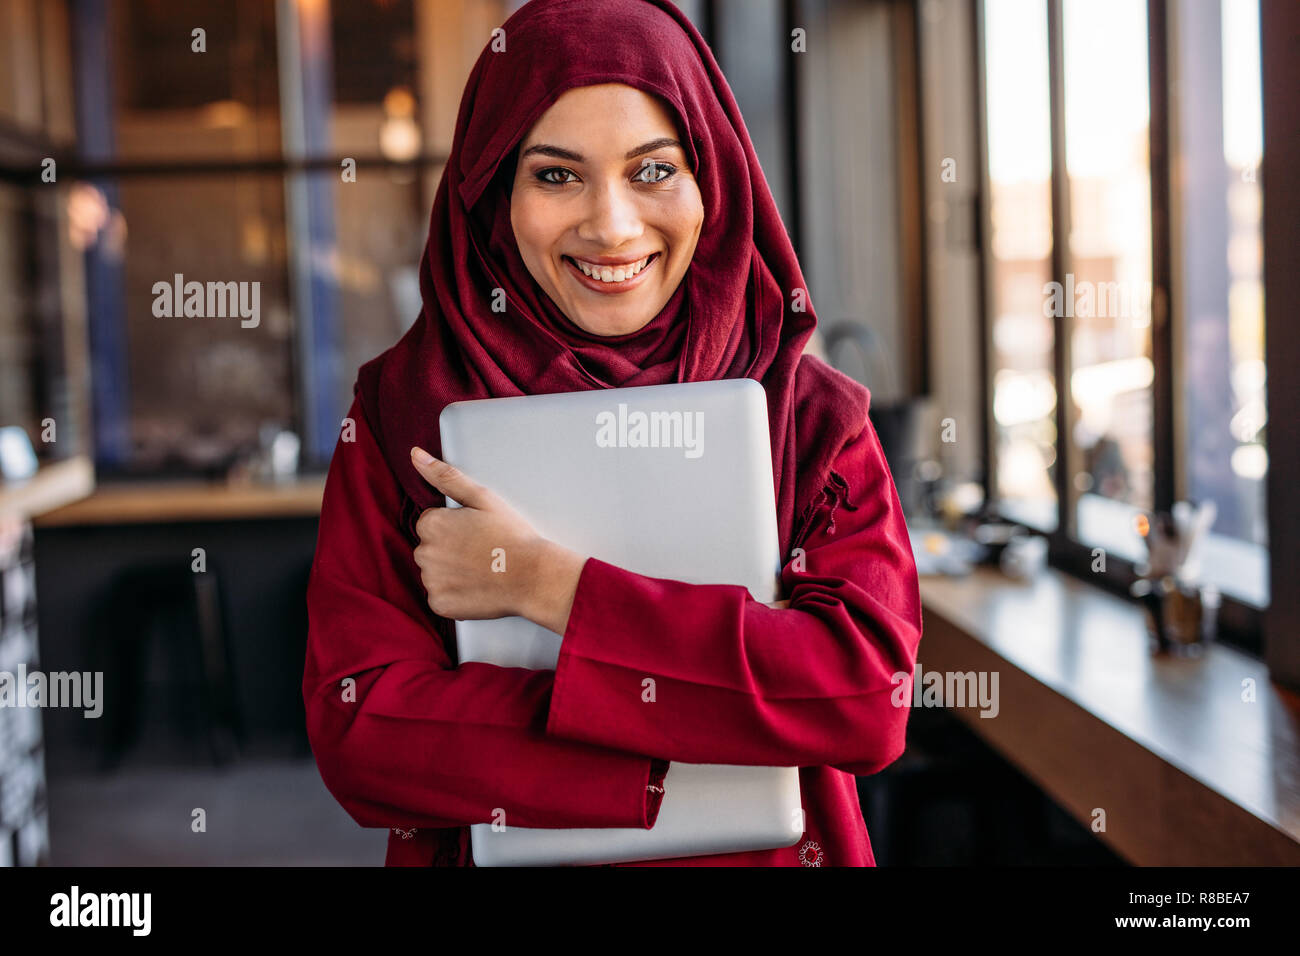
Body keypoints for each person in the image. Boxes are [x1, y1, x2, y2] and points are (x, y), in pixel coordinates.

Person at [303, 0, 923, 867]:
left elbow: (865, 697)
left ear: (714, 179)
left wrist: (544, 584)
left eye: (654, 171)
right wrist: (700, 730)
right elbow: (361, 731)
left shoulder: (811, 414)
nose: (612, 226)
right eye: (555, 175)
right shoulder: (400, 413)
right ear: (491, 194)